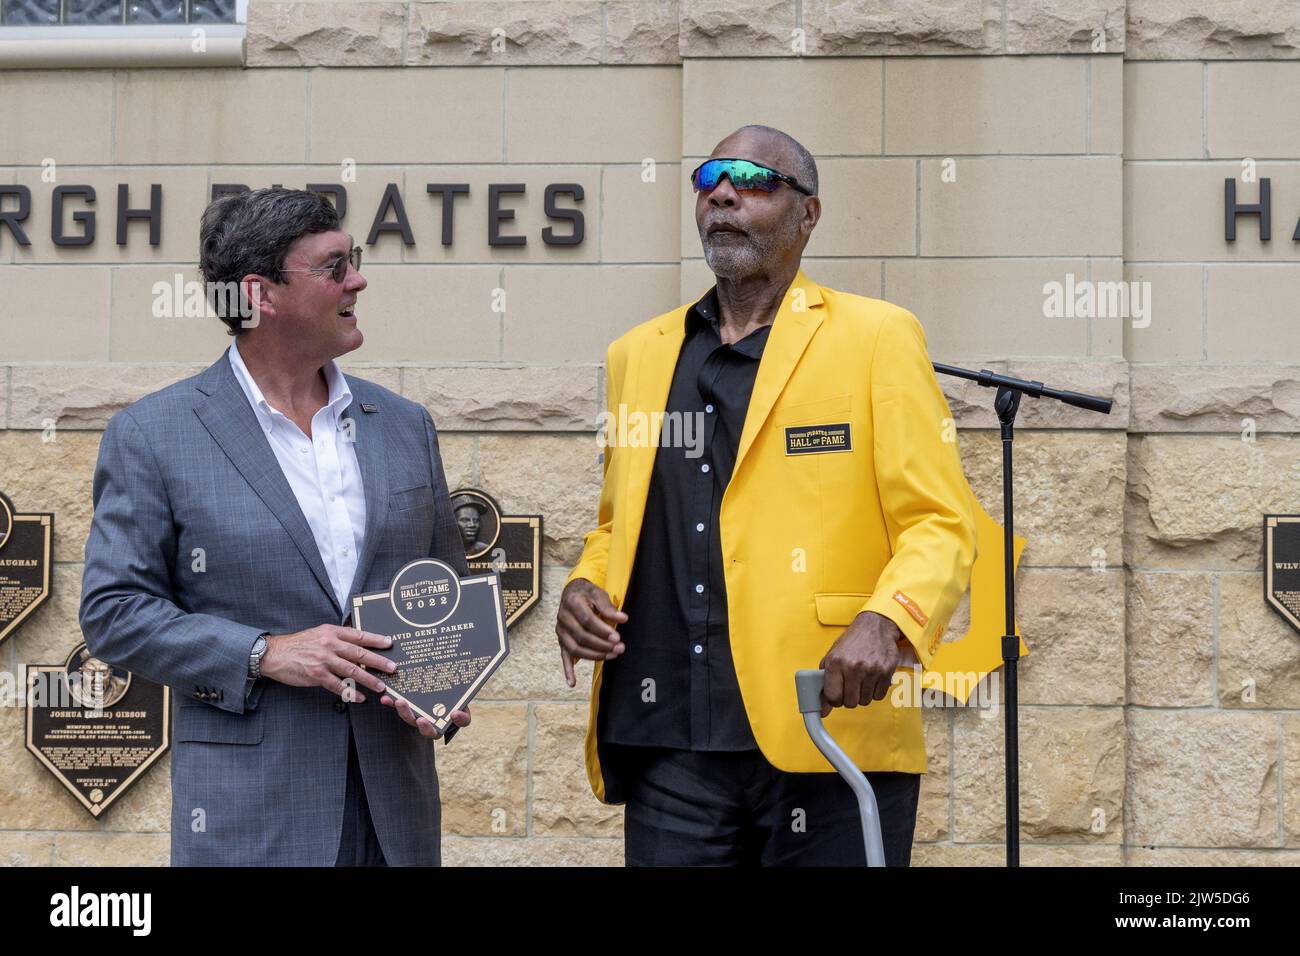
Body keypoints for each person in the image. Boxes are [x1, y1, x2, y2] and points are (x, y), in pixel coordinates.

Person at [556, 126, 977, 866]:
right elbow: (620, 523)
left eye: (753, 178)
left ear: (807, 215)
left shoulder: (877, 336)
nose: (724, 191)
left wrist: (890, 621)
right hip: (667, 741)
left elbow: (940, 523)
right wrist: (587, 583)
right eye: (710, 177)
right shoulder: (640, 354)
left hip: (824, 726)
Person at [80, 187, 469, 866]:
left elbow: (445, 586)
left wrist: (440, 683)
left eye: (355, 260)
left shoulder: (405, 425)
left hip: (395, 816)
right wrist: (266, 652)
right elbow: (114, 613)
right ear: (261, 295)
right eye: (334, 266)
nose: (359, 279)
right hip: (250, 820)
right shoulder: (153, 434)